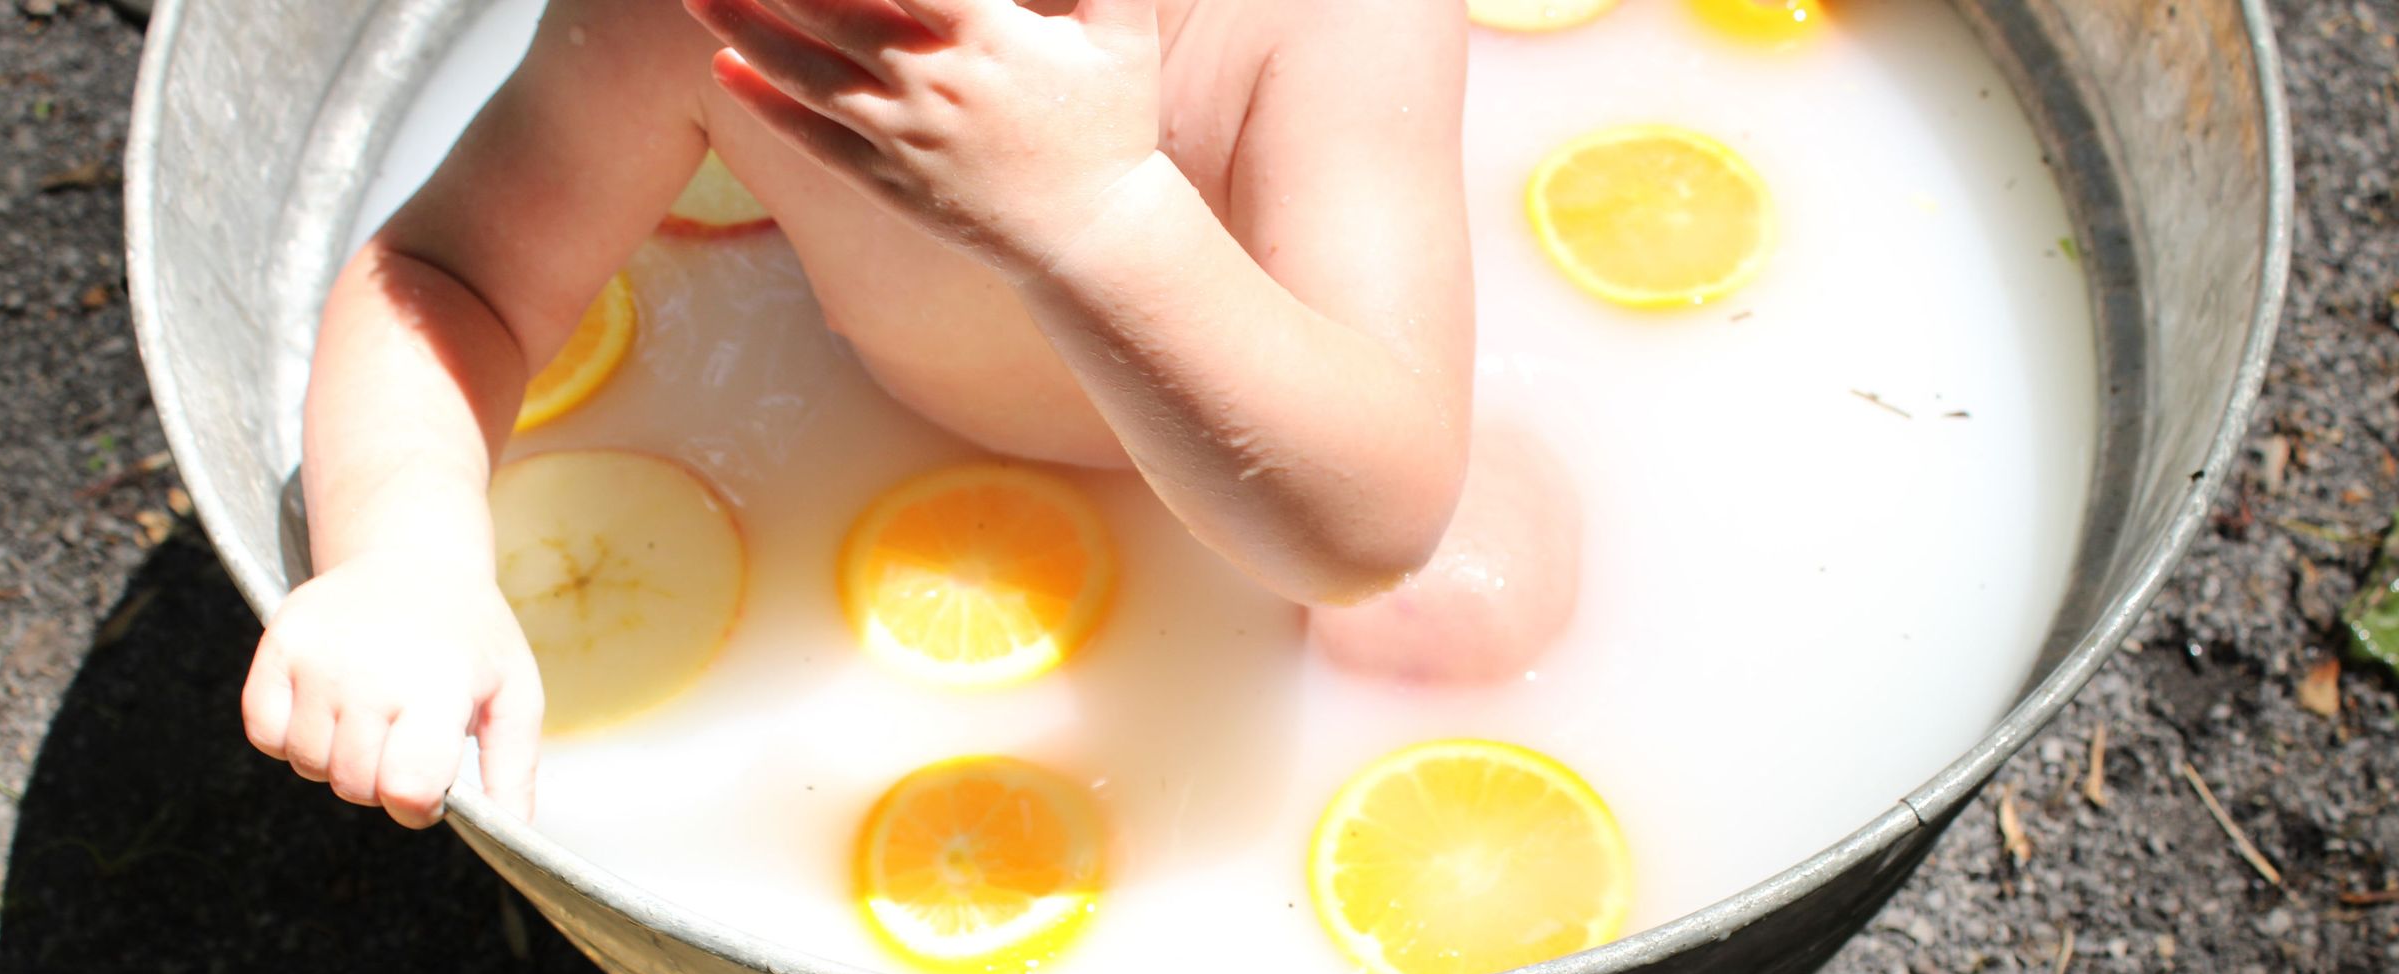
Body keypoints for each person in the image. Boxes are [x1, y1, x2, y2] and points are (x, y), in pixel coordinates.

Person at [243, 0, 1573, 829]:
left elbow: (1375, 517)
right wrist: (404, 565)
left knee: (1458, 603)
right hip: (915, 461)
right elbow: (451, 274)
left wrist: (1095, 216)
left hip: (1295, 452)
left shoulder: (1321, 21)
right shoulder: (699, 18)